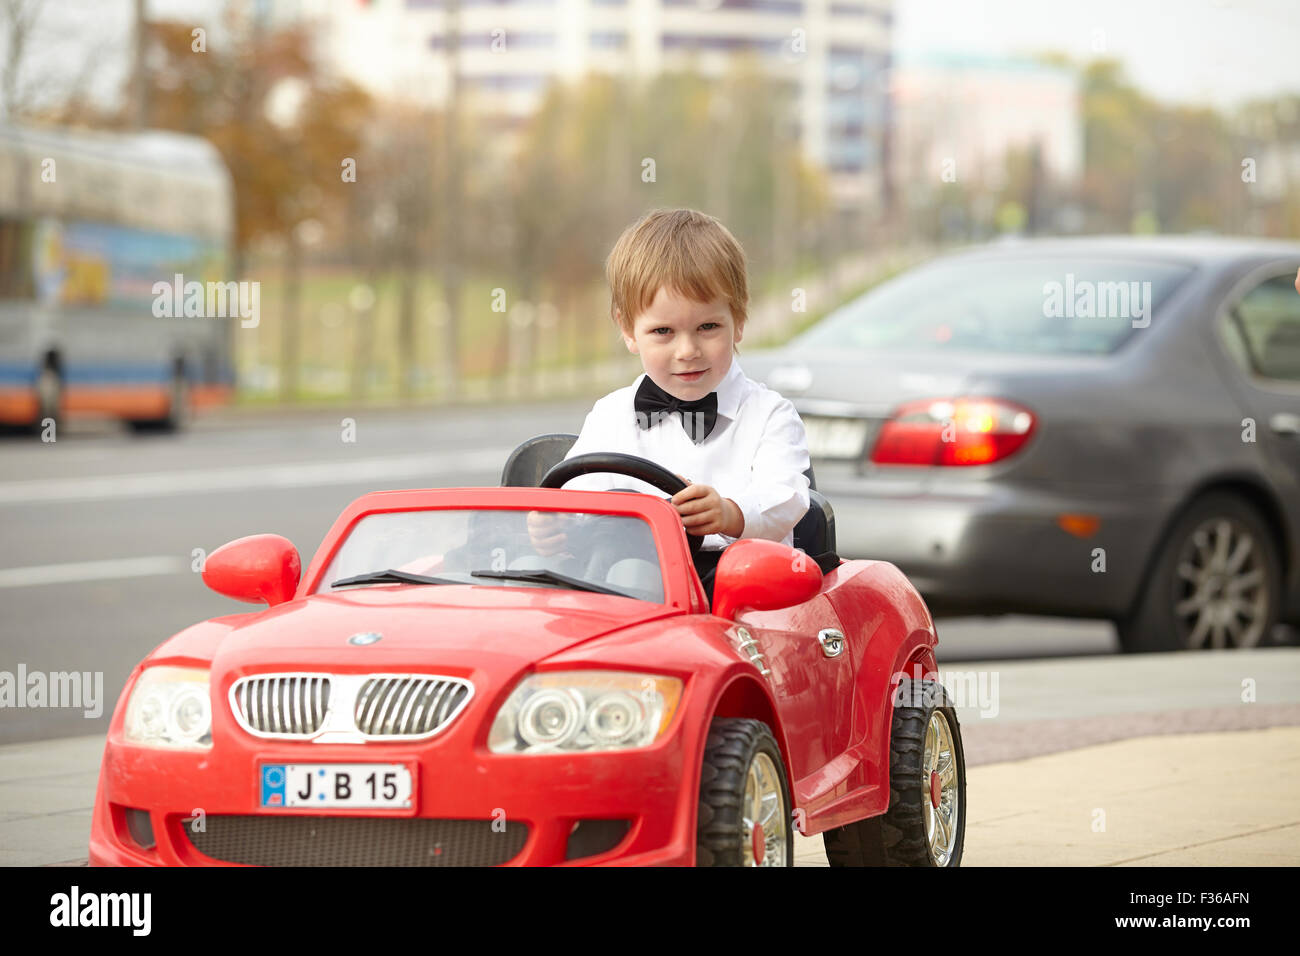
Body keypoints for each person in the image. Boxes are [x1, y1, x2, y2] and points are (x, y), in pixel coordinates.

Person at [528, 208, 811, 605]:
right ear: (628, 330)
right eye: (663, 331)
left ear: (740, 320)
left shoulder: (769, 415)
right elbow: (578, 496)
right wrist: (554, 527)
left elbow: (787, 497)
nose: (687, 351)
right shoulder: (612, 415)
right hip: (625, 583)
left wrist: (730, 513)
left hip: (737, 588)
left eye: (707, 328)